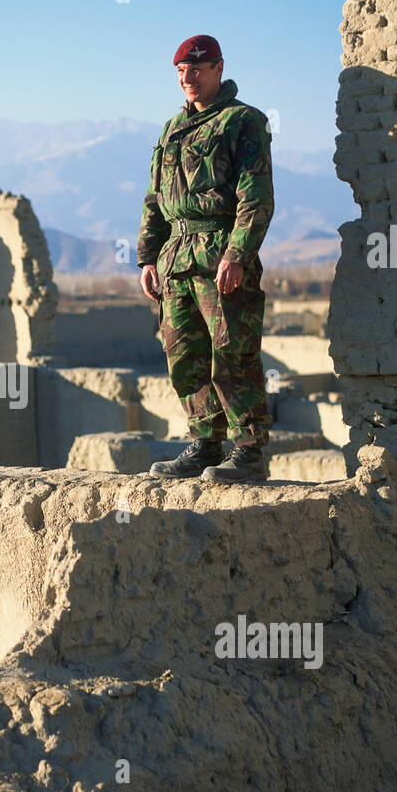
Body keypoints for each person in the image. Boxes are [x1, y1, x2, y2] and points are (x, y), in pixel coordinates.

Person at [137, 34, 273, 482]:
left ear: (218, 68)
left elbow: (256, 196)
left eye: (196, 70)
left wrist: (238, 252)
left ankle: (249, 450)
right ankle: (205, 444)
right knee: (185, 356)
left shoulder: (243, 122)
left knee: (232, 352)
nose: (187, 79)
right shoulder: (170, 130)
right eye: (180, 72)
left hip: (220, 254)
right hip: (176, 258)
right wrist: (148, 258)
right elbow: (156, 198)